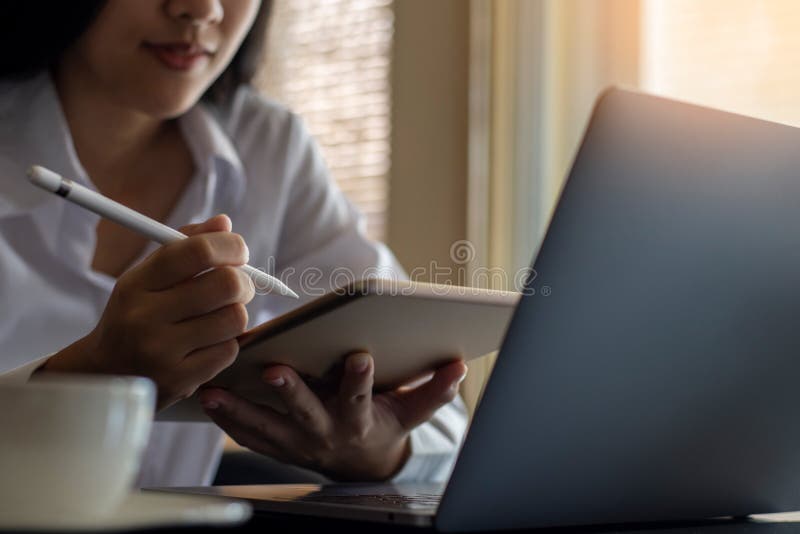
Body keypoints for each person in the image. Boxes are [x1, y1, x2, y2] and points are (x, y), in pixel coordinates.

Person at [0, 0, 468, 487]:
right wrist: (88, 375)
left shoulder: (267, 144)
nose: (202, 10)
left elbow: (440, 423)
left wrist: (372, 450)